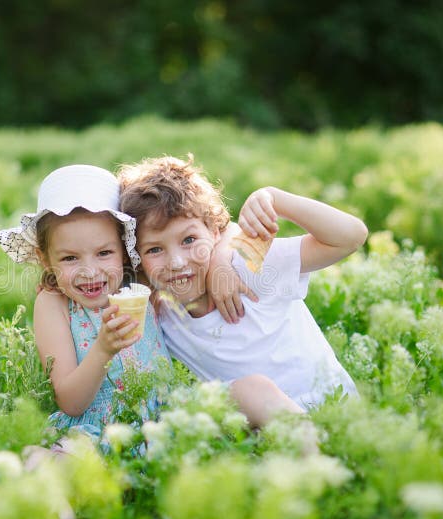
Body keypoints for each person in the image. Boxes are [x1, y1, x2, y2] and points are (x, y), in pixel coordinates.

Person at [118, 155, 368, 426]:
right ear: (138, 259)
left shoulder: (248, 265)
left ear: (214, 232)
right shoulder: (161, 312)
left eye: (189, 240)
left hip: (337, 416)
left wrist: (274, 198)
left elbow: (350, 237)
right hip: (266, 437)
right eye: (155, 249)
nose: (177, 263)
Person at [0, 164, 171, 442]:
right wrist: (103, 349)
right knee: (50, 460)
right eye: (69, 258)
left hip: (161, 427)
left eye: (104, 253)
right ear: (45, 259)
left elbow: (208, 235)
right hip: (94, 433)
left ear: (124, 250)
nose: (89, 271)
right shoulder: (54, 305)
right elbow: (70, 401)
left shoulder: (140, 284)